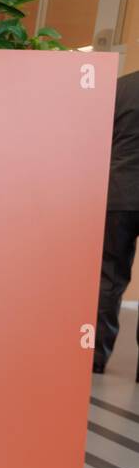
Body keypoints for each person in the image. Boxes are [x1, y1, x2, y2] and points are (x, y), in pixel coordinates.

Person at [95, 70, 139, 380]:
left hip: (119, 192)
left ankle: (96, 357)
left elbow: (101, 141)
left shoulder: (121, 87)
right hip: (120, 191)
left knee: (109, 277)